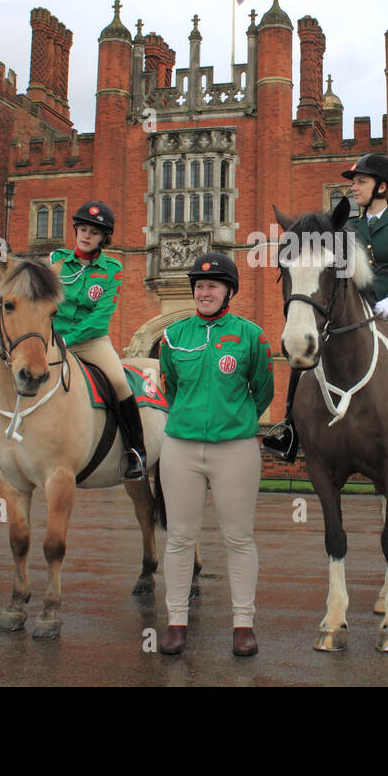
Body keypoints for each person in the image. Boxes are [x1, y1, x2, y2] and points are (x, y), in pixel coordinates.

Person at [263, 152, 388, 464]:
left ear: (382, 188)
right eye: (353, 183)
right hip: (355, 316)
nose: (354, 188)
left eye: (361, 182)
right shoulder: (344, 228)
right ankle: (289, 427)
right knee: (303, 361)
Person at [0, 201, 145, 481]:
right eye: (82, 229)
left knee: (119, 382)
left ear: (103, 238)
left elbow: (102, 315)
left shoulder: (112, 269)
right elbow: (29, 290)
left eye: (93, 232)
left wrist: (66, 340)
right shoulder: (56, 260)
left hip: (91, 341)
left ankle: (136, 451)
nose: (85, 235)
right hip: (48, 337)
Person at [157, 252, 273, 657]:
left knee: (238, 538)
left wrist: (234, 420)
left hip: (235, 448)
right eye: (199, 286)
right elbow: (170, 387)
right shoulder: (173, 336)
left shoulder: (251, 336)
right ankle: (176, 623)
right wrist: (192, 419)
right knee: (179, 538)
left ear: (229, 291)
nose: (204, 292)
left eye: (213, 285)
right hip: (180, 447)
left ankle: (243, 624)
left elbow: (263, 391)